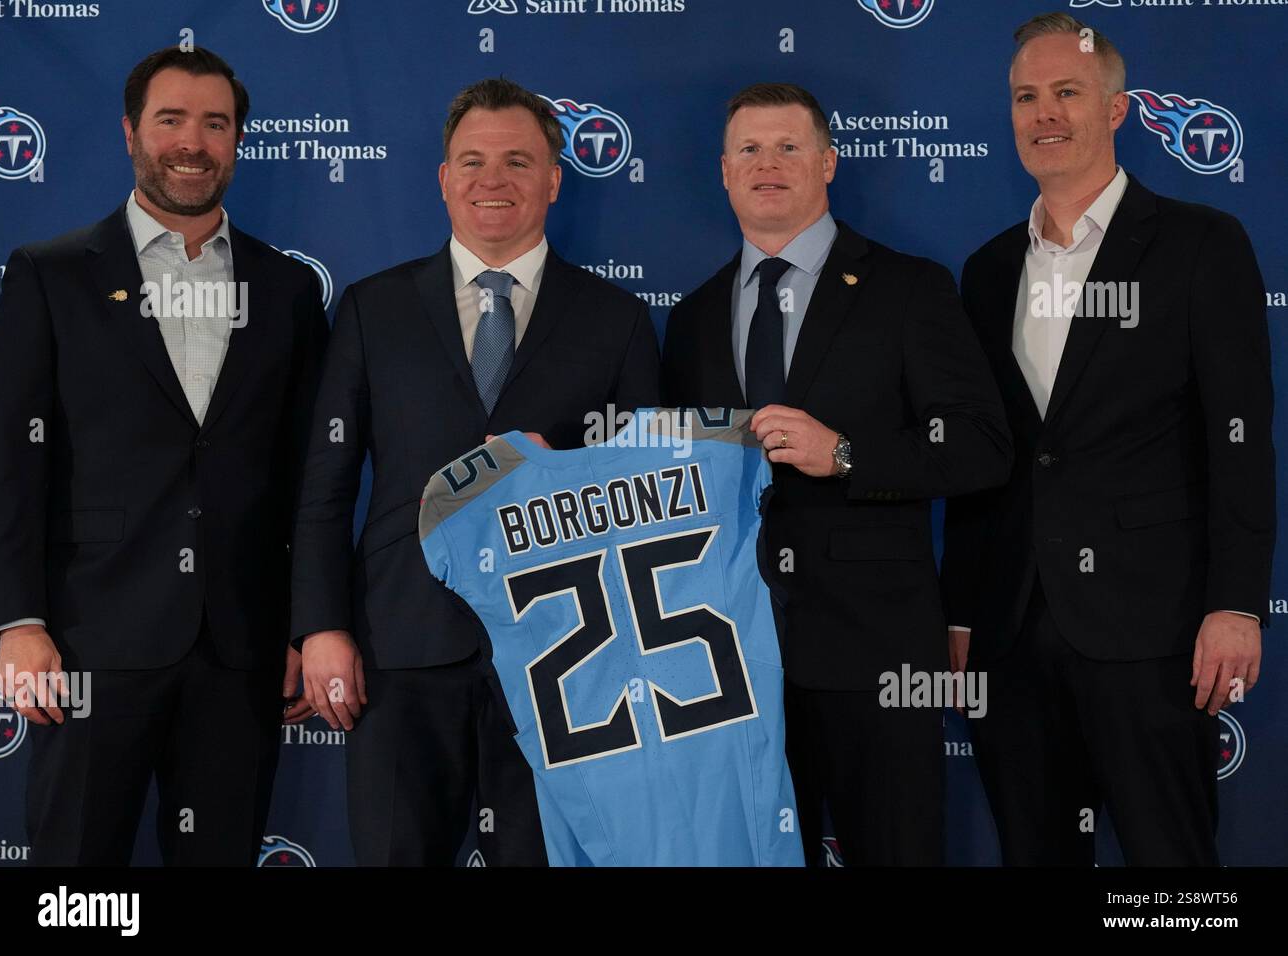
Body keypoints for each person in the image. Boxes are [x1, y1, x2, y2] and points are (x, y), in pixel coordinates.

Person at [291, 77, 661, 866]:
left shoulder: (616, 318)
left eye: (518, 161)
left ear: (554, 180)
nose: (493, 180)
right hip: (399, 647)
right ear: (444, 178)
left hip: (566, 659)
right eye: (473, 161)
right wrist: (322, 628)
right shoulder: (370, 308)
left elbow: (642, 498)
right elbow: (324, 485)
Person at [941, 13, 1274, 866]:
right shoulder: (986, 272)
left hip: (1153, 628)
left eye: (1066, 93)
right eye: (1025, 96)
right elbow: (989, 459)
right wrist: (966, 613)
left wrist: (1235, 603)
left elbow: (1239, 437)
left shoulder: (1201, 244)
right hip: (1013, 629)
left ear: (1116, 110)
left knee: (1174, 869)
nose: (1043, 113)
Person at [0, 47, 327, 865]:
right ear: (131, 132)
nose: (192, 142)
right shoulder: (52, 275)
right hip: (84, 642)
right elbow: (7, 460)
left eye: (215, 124)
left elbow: (307, 480)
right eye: (171, 119)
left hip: (240, 648)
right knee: (73, 882)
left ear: (239, 141)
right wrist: (18, 622)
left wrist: (305, 623)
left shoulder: (285, 290)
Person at [661, 82, 1012, 866]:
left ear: (828, 163)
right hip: (727, 664)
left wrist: (846, 454)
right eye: (749, 149)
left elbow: (982, 447)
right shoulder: (689, 318)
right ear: (724, 171)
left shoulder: (910, 288)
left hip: (876, 657)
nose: (768, 163)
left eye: (789, 146)